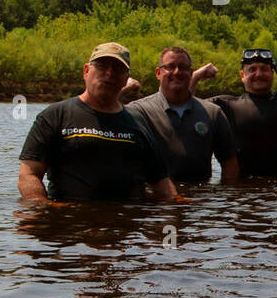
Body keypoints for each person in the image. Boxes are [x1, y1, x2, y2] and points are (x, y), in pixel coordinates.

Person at [18, 42, 176, 202]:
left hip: (128, 222)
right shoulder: (56, 115)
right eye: (101, 66)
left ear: (126, 79)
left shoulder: (138, 120)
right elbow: (29, 174)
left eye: (117, 69)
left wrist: (179, 206)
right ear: (86, 71)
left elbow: (160, 180)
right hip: (71, 221)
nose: (109, 73)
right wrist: (42, 206)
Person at [126, 46, 239, 184]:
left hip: (199, 201)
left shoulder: (213, 113)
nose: (177, 72)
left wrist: (224, 198)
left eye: (183, 67)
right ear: (158, 73)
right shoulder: (138, 111)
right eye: (170, 67)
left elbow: (229, 162)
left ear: (191, 73)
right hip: (156, 201)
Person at [196, 49, 277, 179]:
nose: (259, 74)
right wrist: (196, 76)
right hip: (237, 193)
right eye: (252, 70)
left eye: (264, 69)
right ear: (242, 75)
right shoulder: (226, 104)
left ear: (273, 74)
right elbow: (185, 105)